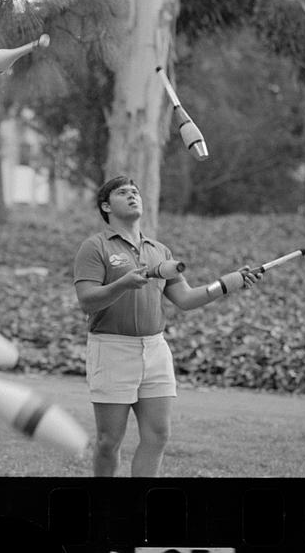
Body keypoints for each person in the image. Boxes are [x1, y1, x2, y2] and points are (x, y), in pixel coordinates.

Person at [73, 176, 262, 477]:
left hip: (155, 349)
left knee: (158, 435)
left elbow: (186, 298)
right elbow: (86, 301)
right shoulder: (95, 247)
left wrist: (227, 283)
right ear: (106, 206)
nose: (133, 195)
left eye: (135, 192)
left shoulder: (159, 250)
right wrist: (122, 284)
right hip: (111, 349)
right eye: (123, 193)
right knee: (109, 441)